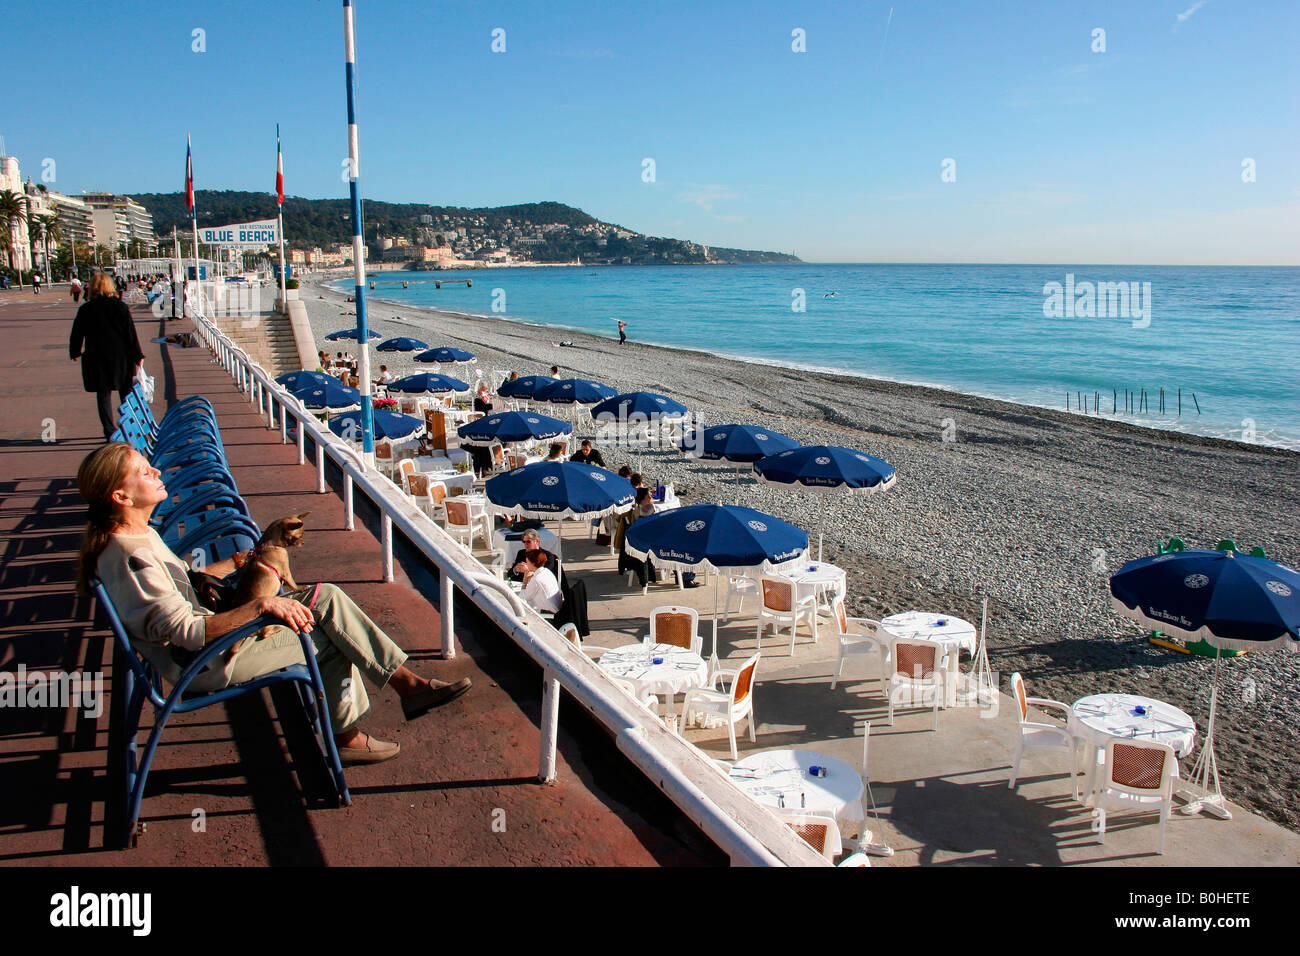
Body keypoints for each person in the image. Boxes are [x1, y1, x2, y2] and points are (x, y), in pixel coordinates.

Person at [75, 443, 471, 765]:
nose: (157, 473)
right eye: (145, 472)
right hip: (208, 662)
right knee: (331, 636)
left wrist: (243, 559)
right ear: (121, 495)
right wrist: (263, 606)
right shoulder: (133, 559)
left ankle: (405, 688)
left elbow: (186, 580)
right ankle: (352, 730)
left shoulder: (132, 537)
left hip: (211, 645)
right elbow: (189, 631)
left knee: (328, 599)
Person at [69, 273, 145, 441]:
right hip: (121, 356)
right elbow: (130, 333)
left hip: (97, 356)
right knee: (126, 392)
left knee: (103, 394)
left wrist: (75, 352)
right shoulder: (120, 307)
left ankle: (109, 431)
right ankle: (130, 428)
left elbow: (77, 333)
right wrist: (137, 354)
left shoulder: (86, 309)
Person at [519, 549, 562, 615]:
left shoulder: (536, 579)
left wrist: (525, 580)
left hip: (549, 614)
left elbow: (522, 597)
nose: (526, 564)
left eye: (527, 562)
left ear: (532, 563)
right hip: (557, 608)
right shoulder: (546, 571)